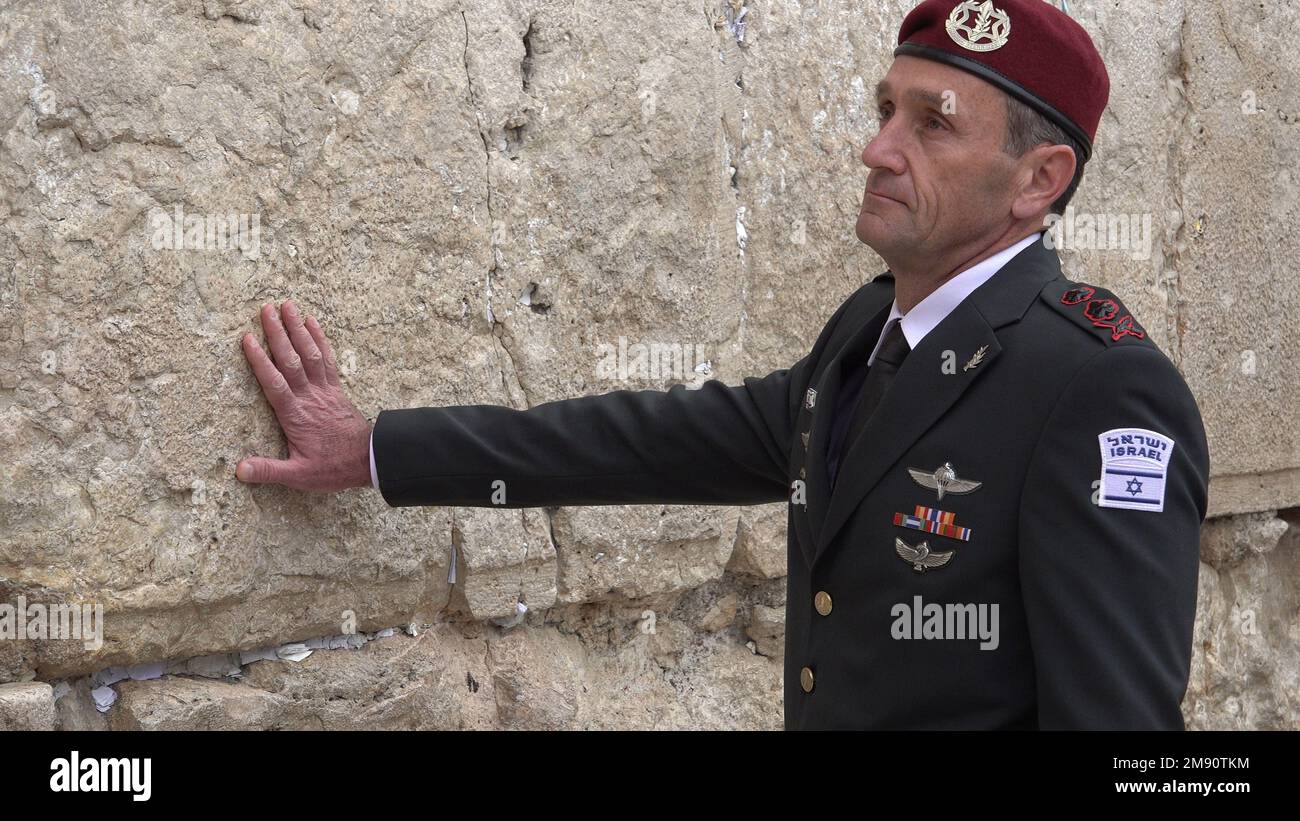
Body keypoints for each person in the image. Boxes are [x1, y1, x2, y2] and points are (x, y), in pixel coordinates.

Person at [235, 0, 1209, 729]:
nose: (876, 148)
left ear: (1038, 180)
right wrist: (370, 448)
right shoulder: (868, 334)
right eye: (884, 110)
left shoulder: (1093, 387)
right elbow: (642, 446)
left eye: (932, 124)